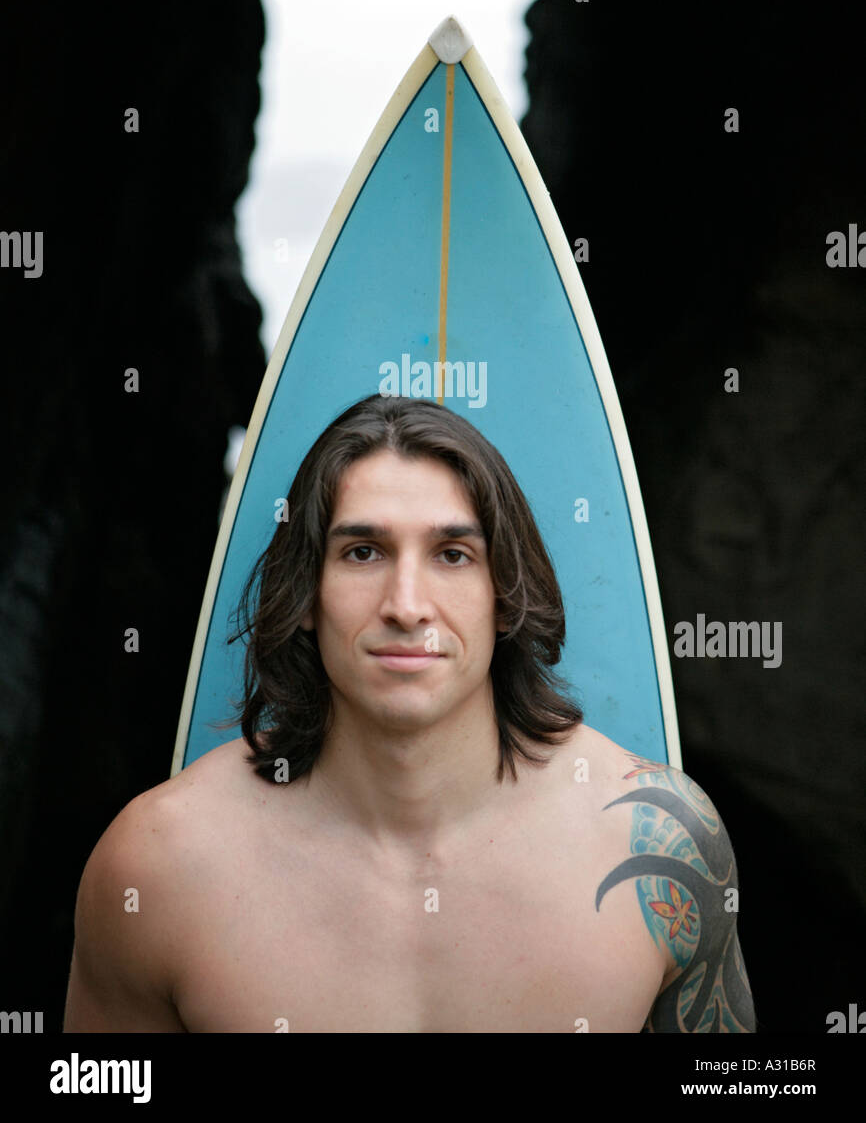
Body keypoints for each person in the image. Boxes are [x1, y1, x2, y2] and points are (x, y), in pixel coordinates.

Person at [64, 393, 755, 1033]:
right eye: (363, 552)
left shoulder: (658, 843)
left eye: (453, 555)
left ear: (505, 596)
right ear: (304, 594)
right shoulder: (154, 864)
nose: (405, 604)